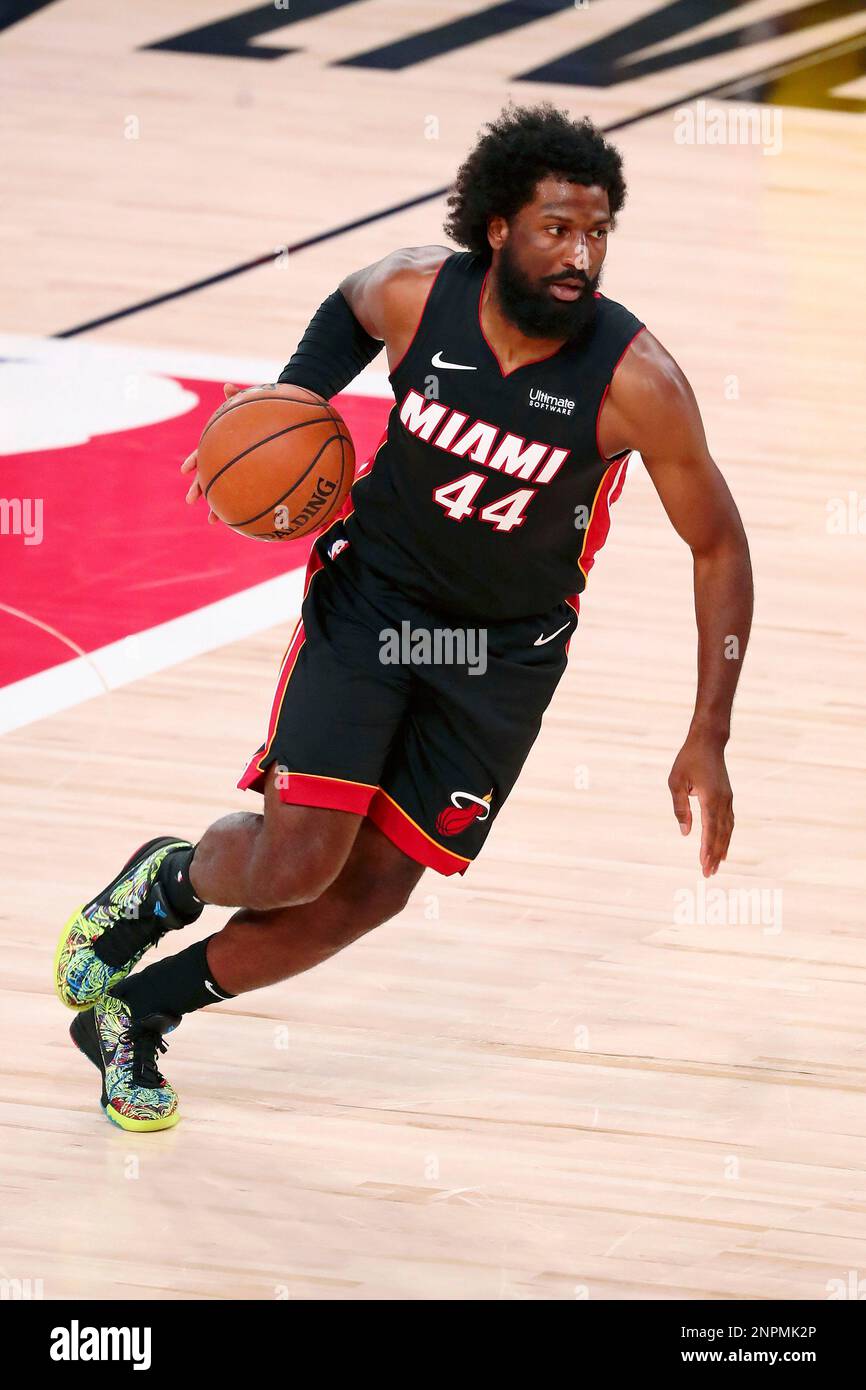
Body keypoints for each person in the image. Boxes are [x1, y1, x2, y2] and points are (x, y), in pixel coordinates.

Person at [56, 103, 753, 1132]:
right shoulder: (416, 295)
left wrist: (708, 732)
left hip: (502, 656)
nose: (580, 255)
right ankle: (165, 883)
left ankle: (135, 1014)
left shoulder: (635, 382)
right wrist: (288, 404)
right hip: (373, 606)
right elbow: (347, 303)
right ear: (497, 229)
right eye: (557, 228)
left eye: (597, 232)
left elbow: (719, 546)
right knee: (296, 863)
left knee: (369, 893)